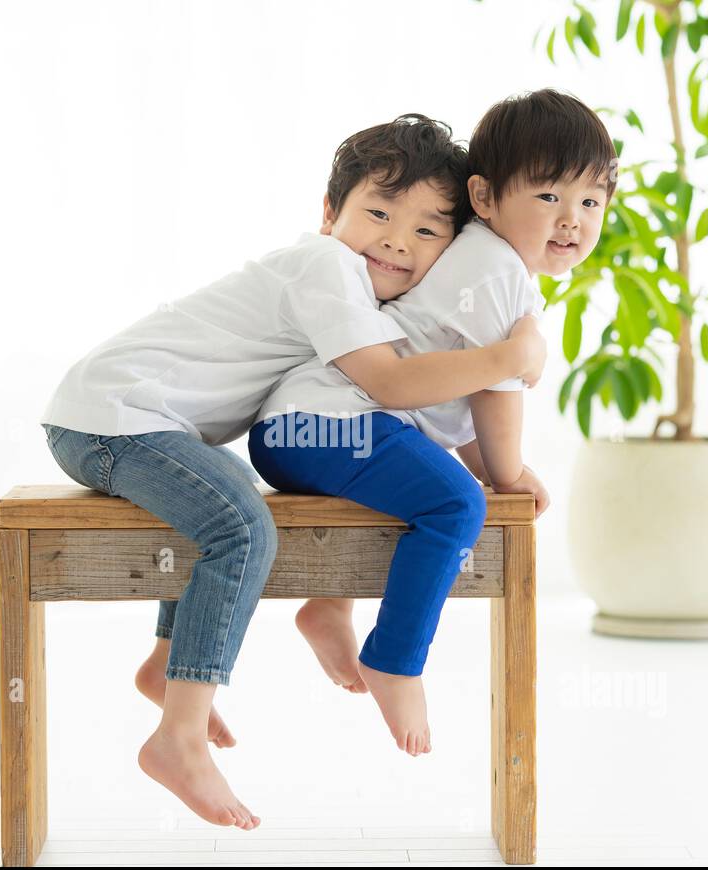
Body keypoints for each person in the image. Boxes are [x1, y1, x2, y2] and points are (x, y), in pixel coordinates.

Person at [39, 113, 548, 829]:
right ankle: (177, 738)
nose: (398, 240)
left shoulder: (360, 293)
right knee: (241, 528)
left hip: (133, 422)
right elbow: (390, 386)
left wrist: (491, 462)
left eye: (428, 230)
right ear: (328, 213)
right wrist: (508, 359)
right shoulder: (327, 267)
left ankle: (166, 665)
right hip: (112, 417)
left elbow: (412, 405)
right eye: (378, 212)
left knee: (229, 496)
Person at [248, 89, 617, 757]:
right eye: (548, 197)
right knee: (454, 503)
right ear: (483, 197)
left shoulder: (486, 261)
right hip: (317, 426)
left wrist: (496, 463)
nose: (571, 221)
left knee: (422, 479)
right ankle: (395, 659)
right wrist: (500, 474)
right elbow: (496, 391)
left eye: (590, 202)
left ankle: (327, 606)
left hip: (306, 429)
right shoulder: (496, 271)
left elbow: (455, 397)